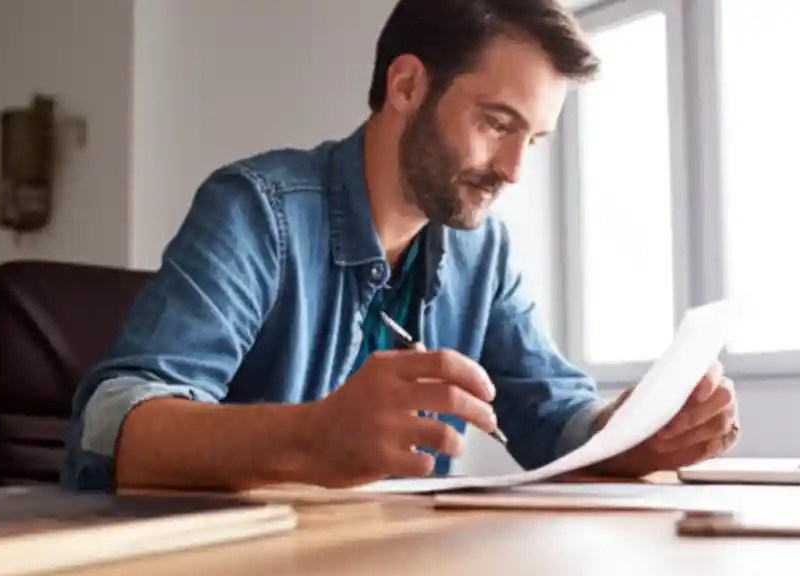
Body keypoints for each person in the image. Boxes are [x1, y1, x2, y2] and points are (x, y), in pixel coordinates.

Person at [63, 0, 739, 493]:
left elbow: (552, 421)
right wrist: (311, 437)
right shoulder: (256, 211)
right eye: (495, 123)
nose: (512, 171)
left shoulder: (483, 255)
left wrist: (632, 434)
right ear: (407, 85)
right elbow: (109, 424)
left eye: (532, 140)